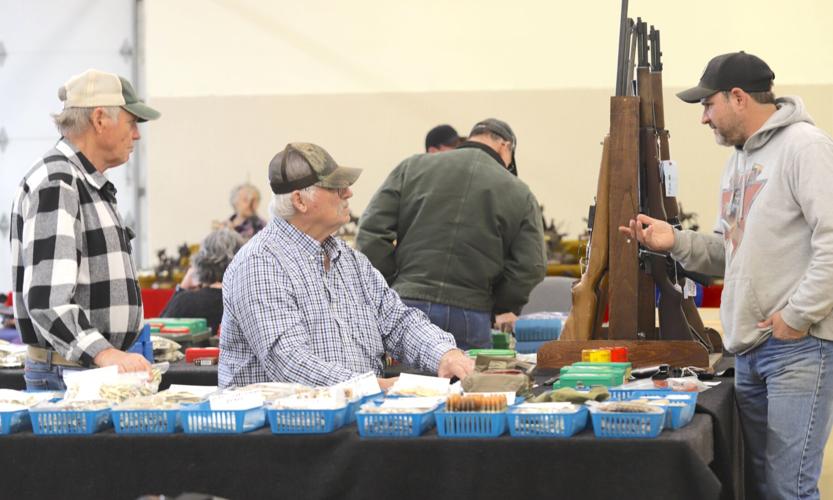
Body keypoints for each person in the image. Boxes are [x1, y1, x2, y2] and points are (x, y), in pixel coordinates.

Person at [622, 52, 833, 500]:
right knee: (757, 486)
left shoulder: (806, 147)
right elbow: (729, 253)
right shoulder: (737, 162)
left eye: (708, 104)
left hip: (797, 349)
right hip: (750, 351)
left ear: (738, 98)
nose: (703, 118)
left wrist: (797, 316)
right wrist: (673, 241)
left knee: (787, 490)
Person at [218, 142, 474, 389]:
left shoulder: (350, 261)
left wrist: (445, 354)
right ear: (300, 201)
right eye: (336, 187)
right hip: (281, 429)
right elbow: (290, 362)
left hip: (351, 422)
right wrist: (376, 387)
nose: (348, 193)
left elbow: (399, 322)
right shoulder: (259, 264)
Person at [10, 69, 161, 390]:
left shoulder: (85, 182)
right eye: (132, 122)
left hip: (86, 371)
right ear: (100, 119)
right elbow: (47, 300)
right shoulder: (58, 183)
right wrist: (104, 353)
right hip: (72, 377)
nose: (136, 135)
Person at [356, 118, 547, 349]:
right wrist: (498, 304)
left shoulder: (412, 167)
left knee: (403, 383)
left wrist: (391, 285)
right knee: (465, 382)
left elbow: (371, 232)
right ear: (505, 146)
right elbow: (531, 266)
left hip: (406, 304)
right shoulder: (520, 192)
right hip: (471, 313)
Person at [161, 228, 244, 334]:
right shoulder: (245, 301)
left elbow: (158, 334)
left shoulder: (185, 301)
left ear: (201, 261)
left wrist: (181, 288)